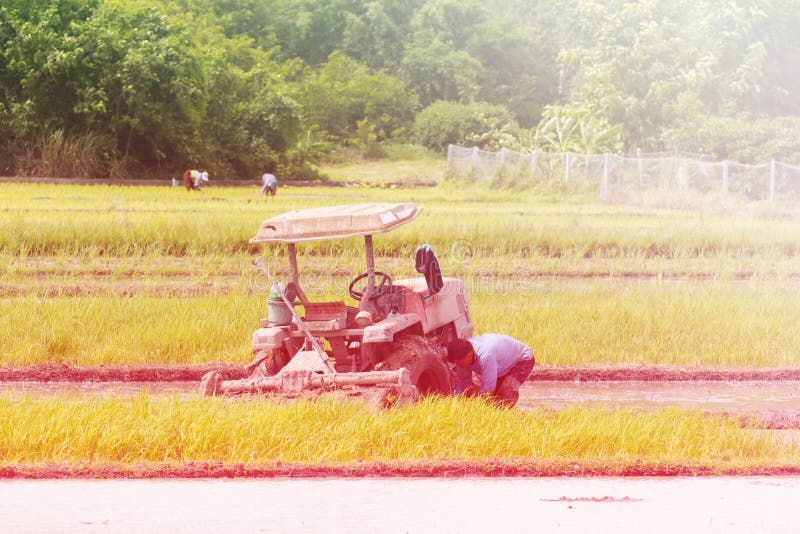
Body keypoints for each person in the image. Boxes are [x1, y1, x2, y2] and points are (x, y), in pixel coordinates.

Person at [446, 334, 535, 408]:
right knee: (479, 392)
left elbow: (488, 389)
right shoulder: (462, 356)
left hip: (521, 359)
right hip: (499, 365)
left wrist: (479, 408)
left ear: (469, 355)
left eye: (459, 363)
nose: (458, 366)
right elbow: (463, 384)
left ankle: (502, 417)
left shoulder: (486, 356)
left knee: (506, 392)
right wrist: (457, 403)